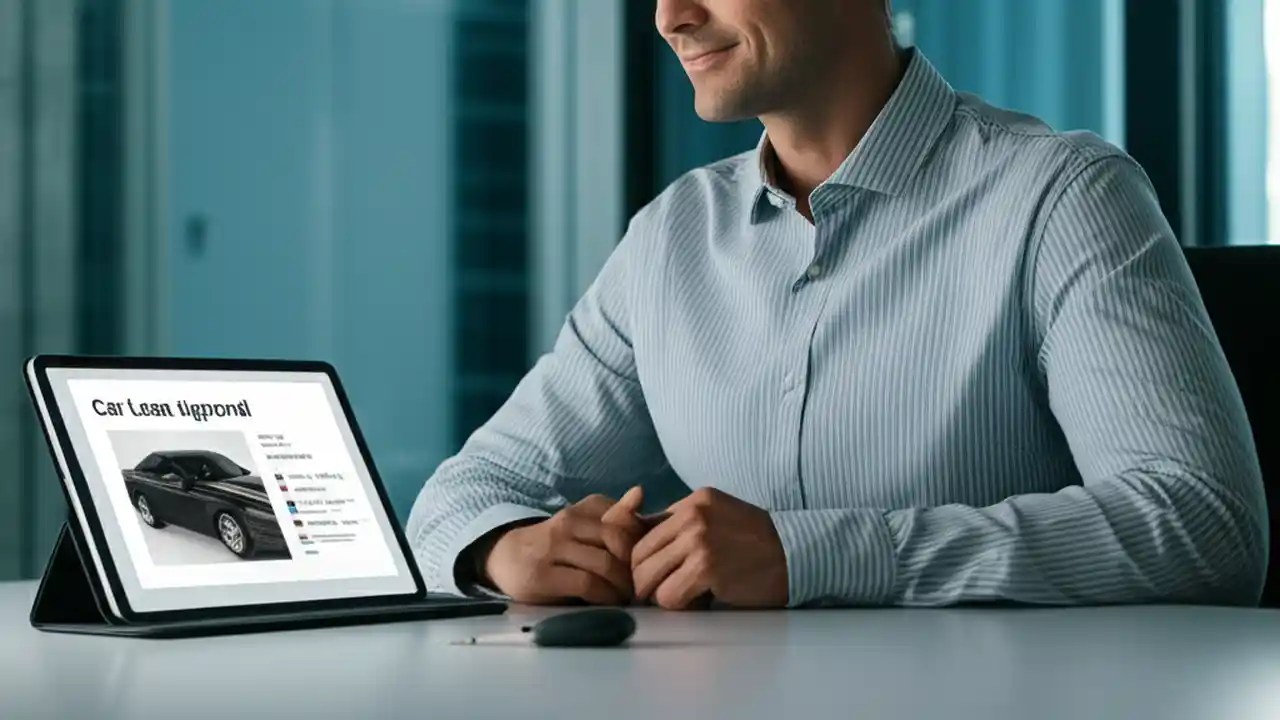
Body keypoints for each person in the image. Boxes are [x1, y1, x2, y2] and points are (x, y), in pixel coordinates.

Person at [408, 0, 1268, 609]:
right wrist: (506, 550)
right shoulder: (671, 238)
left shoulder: (1062, 196)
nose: (671, 16)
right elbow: (466, 494)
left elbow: (1203, 523)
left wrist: (812, 555)